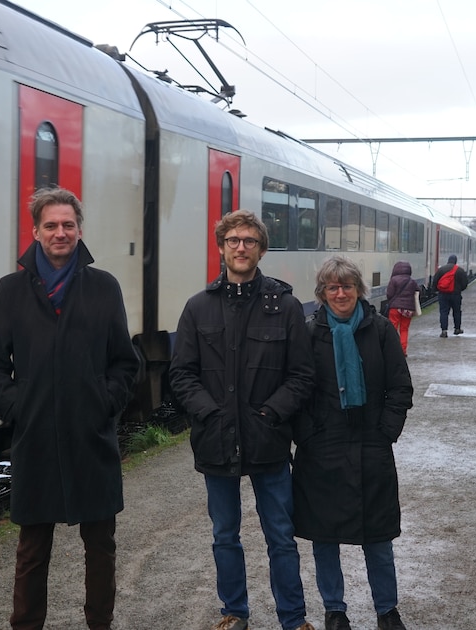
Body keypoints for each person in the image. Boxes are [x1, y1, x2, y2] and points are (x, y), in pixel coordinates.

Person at [0, 187, 141, 630]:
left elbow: (125, 362)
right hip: (36, 438)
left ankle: (100, 624)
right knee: (32, 550)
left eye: (68, 224)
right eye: (50, 225)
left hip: (91, 437)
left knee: (101, 546)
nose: (60, 232)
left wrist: (103, 403)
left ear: (79, 230)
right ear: (35, 232)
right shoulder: (11, 290)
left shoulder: (103, 287)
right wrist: (18, 407)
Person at [169, 209, 317, 630]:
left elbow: (302, 375)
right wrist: (208, 412)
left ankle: (293, 619)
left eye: (249, 241)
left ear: (261, 249)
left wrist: (271, 413)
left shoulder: (285, 307)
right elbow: (181, 374)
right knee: (224, 535)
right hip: (216, 440)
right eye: (233, 240)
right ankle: (234, 612)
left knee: (280, 536)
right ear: (221, 247)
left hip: (268, 440)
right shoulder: (198, 308)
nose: (241, 247)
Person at [293, 256, 414, 630]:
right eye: (332, 287)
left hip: (370, 447)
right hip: (322, 450)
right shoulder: (309, 334)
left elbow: (400, 387)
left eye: (347, 286)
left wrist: (386, 431)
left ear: (358, 290)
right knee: (324, 538)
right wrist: (307, 436)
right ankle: (335, 611)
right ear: (322, 293)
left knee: (378, 538)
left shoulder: (380, 330)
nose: (340, 293)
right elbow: (295, 391)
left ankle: (387, 611)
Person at [383, 261, 421, 355]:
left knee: (393, 329)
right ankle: (403, 351)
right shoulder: (412, 281)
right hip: (408, 309)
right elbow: (418, 291)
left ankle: (392, 350)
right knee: (404, 329)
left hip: (395, 308)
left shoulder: (394, 280)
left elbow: (389, 294)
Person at [433, 254, 469, 338]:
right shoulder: (460, 270)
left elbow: (435, 281)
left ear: (448, 260)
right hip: (456, 295)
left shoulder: (441, 270)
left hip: (443, 294)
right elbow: (465, 284)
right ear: (455, 261)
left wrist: (436, 290)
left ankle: (444, 331)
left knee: (443, 312)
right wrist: (459, 289)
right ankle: (457, 329)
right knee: (457, 312)